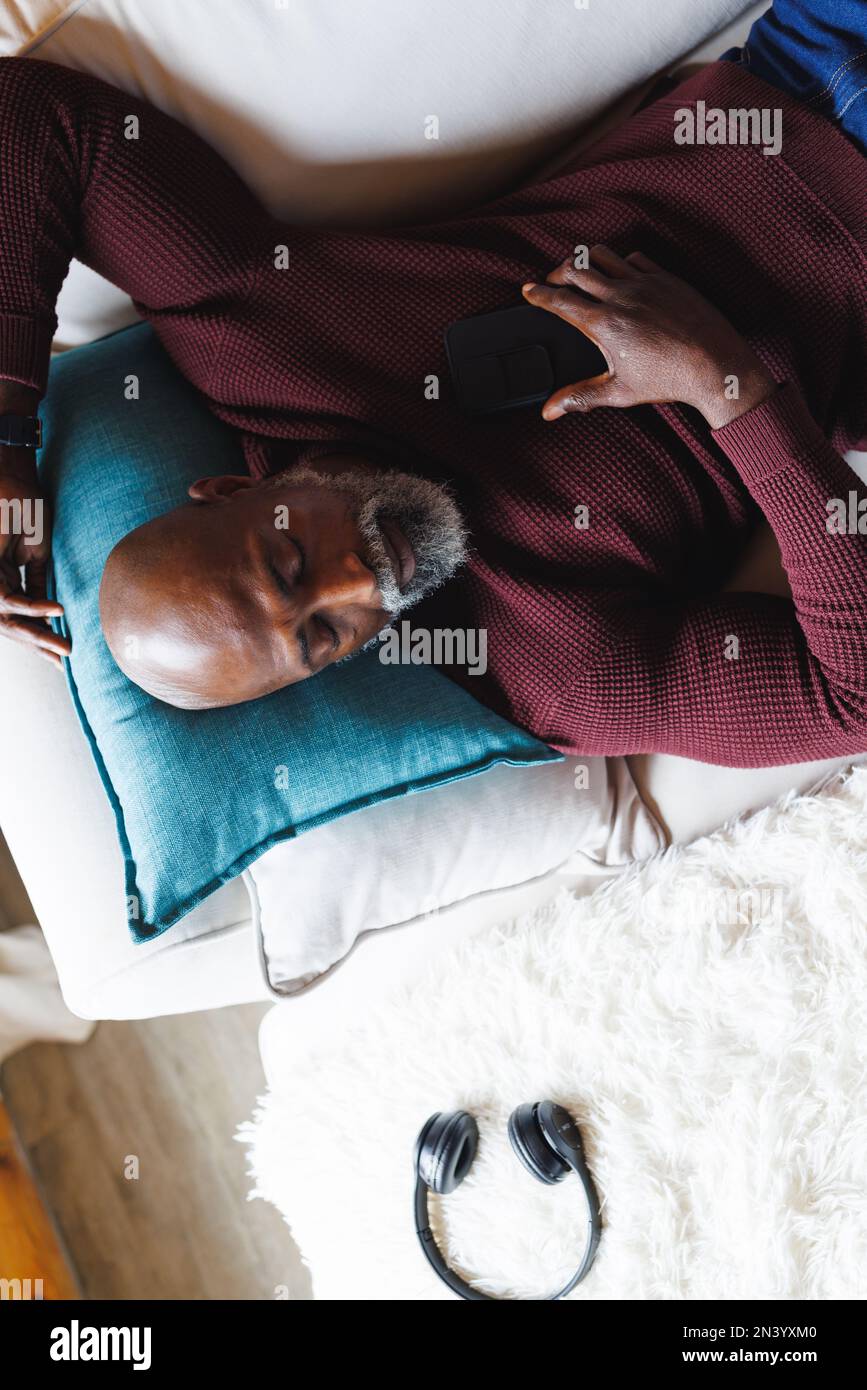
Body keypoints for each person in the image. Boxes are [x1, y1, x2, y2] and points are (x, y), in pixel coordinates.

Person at [0, 1, 865, 766]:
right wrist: (727, 388)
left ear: (230, 489)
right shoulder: (557, 673)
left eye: (290, 558)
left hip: (799, 78)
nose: (363, 583)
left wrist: (6, 433)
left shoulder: (261, 338)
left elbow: (33, 116)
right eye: (322, 636)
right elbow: (851, 699)